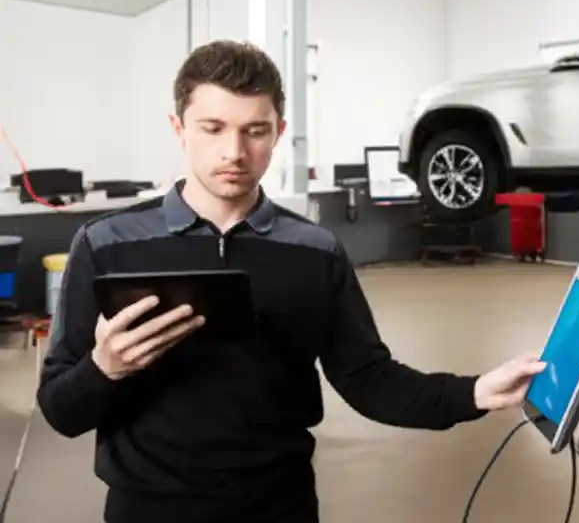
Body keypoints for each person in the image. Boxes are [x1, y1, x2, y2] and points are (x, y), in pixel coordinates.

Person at [36, 40, 546, 523]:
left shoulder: (313, 251)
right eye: (212, 128)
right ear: (179, 129)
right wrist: (105, 367)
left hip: (279, 508)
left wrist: (475, 392)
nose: (234, 151)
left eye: (254, 130)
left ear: (278, 132)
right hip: (148, 511)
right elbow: (61, 408)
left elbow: (369, 379)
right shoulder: (106, 244)